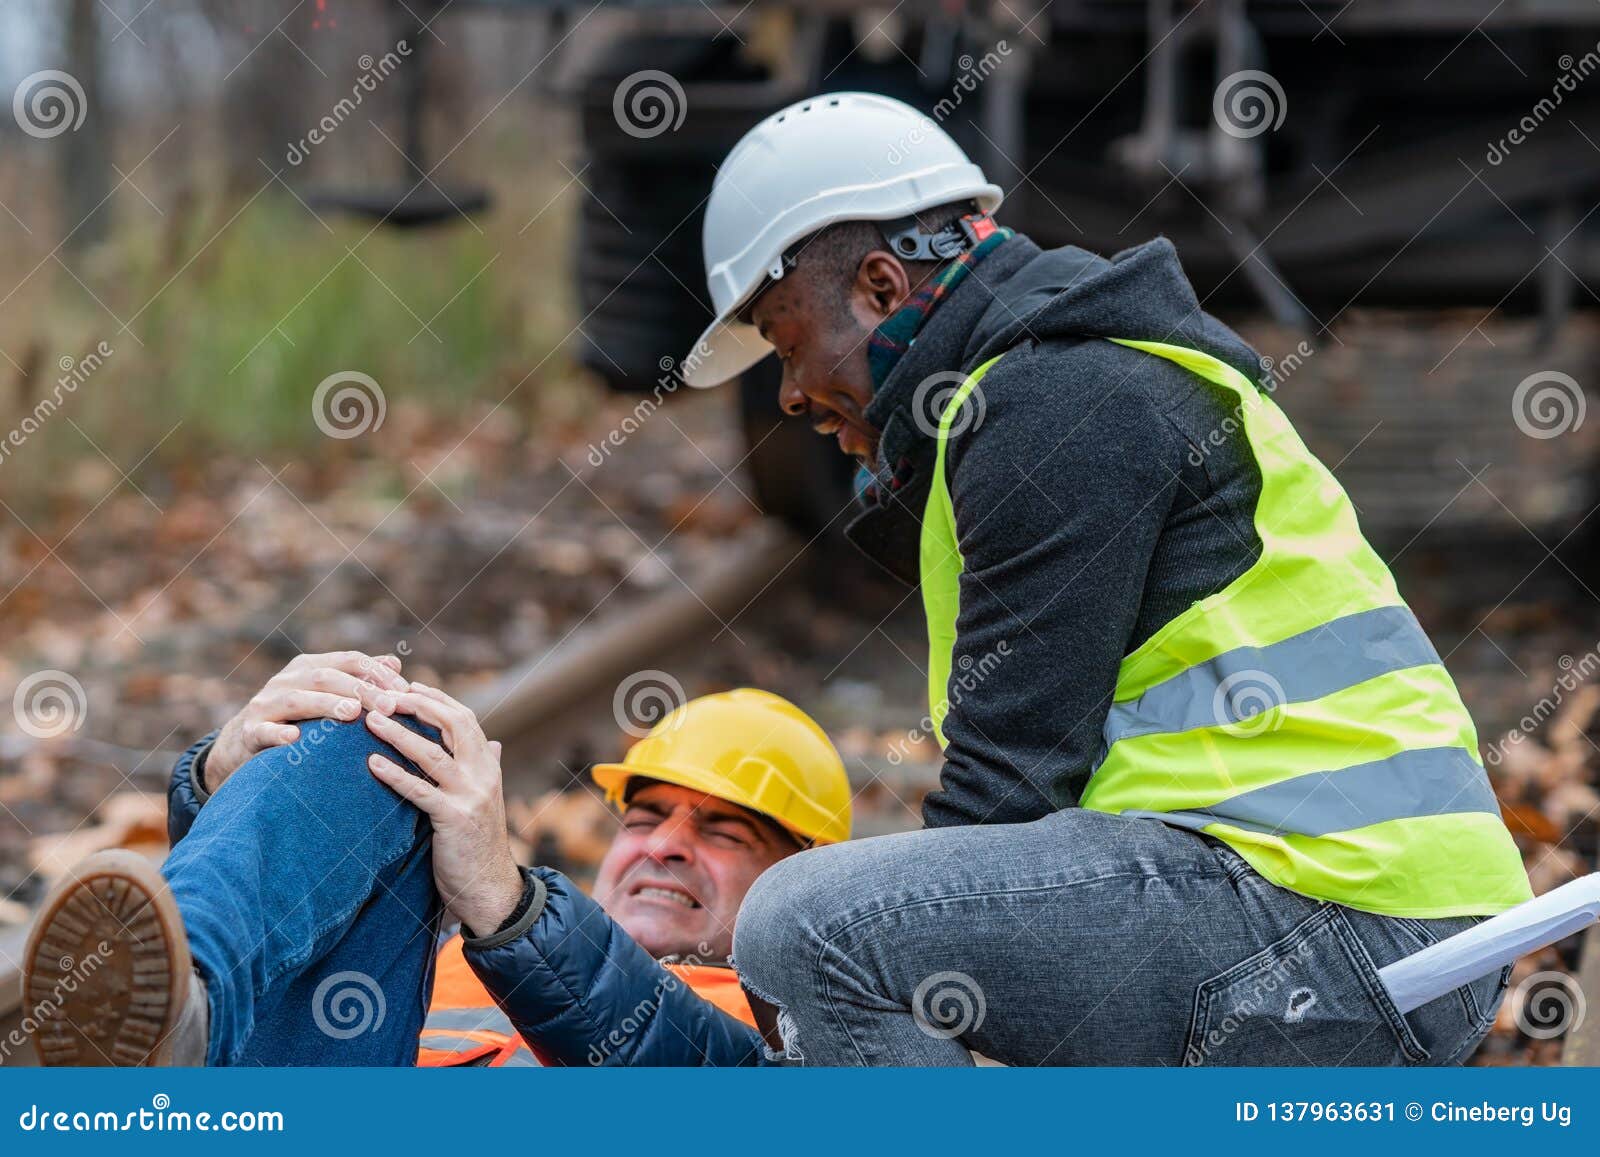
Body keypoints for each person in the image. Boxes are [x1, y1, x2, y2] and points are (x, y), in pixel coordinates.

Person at [678, 91, 1534, 1066]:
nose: (788, 393)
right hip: (1345, 913)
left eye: (788, 345)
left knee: (805, 926)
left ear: (879, 285)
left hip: (1341, 929)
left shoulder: (1053, 403)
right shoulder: (1054, 376)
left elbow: (1003, 799)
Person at [22, 653, 850, 1067]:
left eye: (727, 832)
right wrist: (214, 784)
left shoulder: (798, 1038)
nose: (667, 842)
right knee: (387, 729)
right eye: (646, 816)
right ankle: (178, 1011)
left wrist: (508, 907)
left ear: (810, 884)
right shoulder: (436, 959)